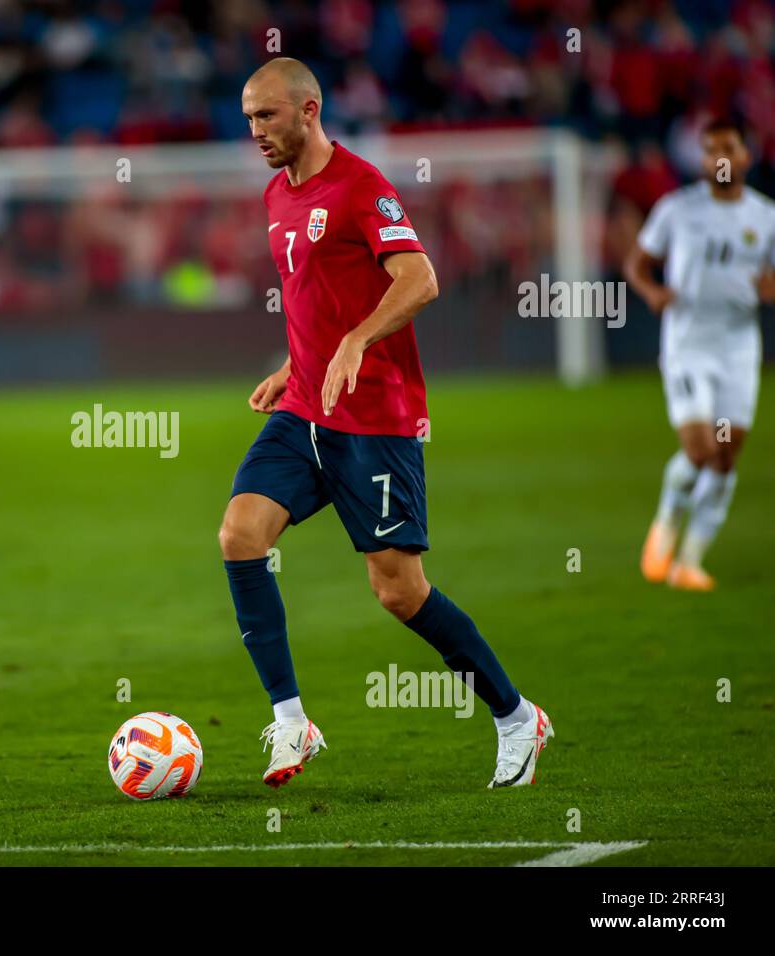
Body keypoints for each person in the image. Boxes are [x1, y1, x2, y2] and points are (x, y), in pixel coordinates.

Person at [222, 58, 553, 790]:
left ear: (309, 110)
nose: (256, 132)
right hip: (305, 406)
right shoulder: (277, 194)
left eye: (267, 116)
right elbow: (321, 296)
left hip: (375, 418)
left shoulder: (363, 187)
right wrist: (293, 361)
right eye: (248, 118)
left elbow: (420, 278)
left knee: (399, 591)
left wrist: (355, 341)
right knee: (240, 534)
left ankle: (514, 716)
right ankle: (290, 722)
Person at [626, 117, 775, 591]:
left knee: (726, 457)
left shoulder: (765, 216)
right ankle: (666, 526)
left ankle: (689, 562)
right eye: (711, 151)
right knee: (700, 448)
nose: (720, 159)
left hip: (737, 347)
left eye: (728, 149)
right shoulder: (677, 209)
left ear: (746, 156)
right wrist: (650, 292)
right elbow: (638, 261)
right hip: (689, 344)